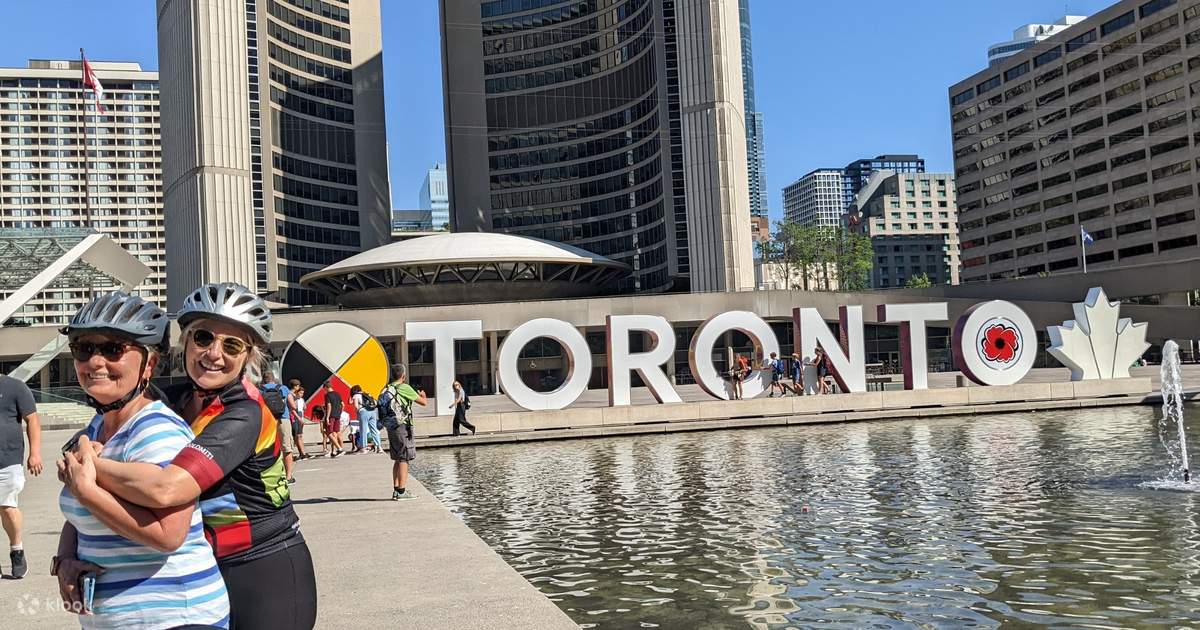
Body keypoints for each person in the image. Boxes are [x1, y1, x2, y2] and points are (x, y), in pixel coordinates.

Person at [69, 282, 317, 629]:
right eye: (203, 338)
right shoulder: (175, 397)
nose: (213, 353)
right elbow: (88, 437)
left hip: (264, 566)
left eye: (231, 345)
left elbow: (168, 489)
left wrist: (88, 469)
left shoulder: (245, 413)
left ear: (248, 357)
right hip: (208, 565)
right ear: (186, 341)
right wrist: (67, 553)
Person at [55, 290, 230, 626]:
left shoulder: (156, 431)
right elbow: (80, 514)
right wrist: (64, 560)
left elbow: (168, 536)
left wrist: (87, 489)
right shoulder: (98, 426)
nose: (94, 362)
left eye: (112, 349)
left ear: (149, 363)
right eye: (83, 347)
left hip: (174, 617)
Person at [0, 366, 41, 579]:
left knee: (7, 507)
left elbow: (32, 419)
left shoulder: (15, 387)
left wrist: (35, 453)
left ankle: (17, 550)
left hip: (8, 459)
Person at [378, 364, 426, 500]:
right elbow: (423, 402)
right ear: (403, 376)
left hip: (391, 426)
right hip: (403, 426)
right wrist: (423, 395)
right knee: (404, 458)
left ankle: (396, 489)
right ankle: (402, 492)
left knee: (397, 458)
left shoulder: (386, 388)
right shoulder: (404, 387)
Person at [261, 371, 295, 483]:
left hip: (267, 421)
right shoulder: (283, 388)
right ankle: (289, 476)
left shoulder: (259, 389)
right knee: (287, 448)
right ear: (274, 378)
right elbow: (293, 405)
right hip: (283, 419)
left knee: (268, 448)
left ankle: (272, 477)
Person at [351, 385, 382, 454]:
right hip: (373, 411)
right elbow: (375, 402)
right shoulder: (367, 394)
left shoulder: (356, 395)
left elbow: (356, 406)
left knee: (363, 430)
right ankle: (379, 447)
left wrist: (358, 413)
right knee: (374, 429)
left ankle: (363, 448)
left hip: (363, 412)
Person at [286, 380, 309, 460]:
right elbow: (293, 408)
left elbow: (303, 407)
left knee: (299, 435)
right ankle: (300, 453)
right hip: (294, 417)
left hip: (298, 416)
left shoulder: (295, 397)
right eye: (298, 386)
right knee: (295, 436)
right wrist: (299, 418)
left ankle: (302, 453)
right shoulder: (290, 395)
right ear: (295, 386)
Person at [323, 383, 344, 458]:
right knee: (336, 432)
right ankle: (334, 451)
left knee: (328, 432)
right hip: (337, 415)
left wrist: (327, 417)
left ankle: (339, 448)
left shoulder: (327, 395)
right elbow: (342, 404)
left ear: (326, 387)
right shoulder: (337, 394)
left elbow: (329, 405)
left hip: (331, 415)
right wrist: (340, 412)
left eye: (324, 389)